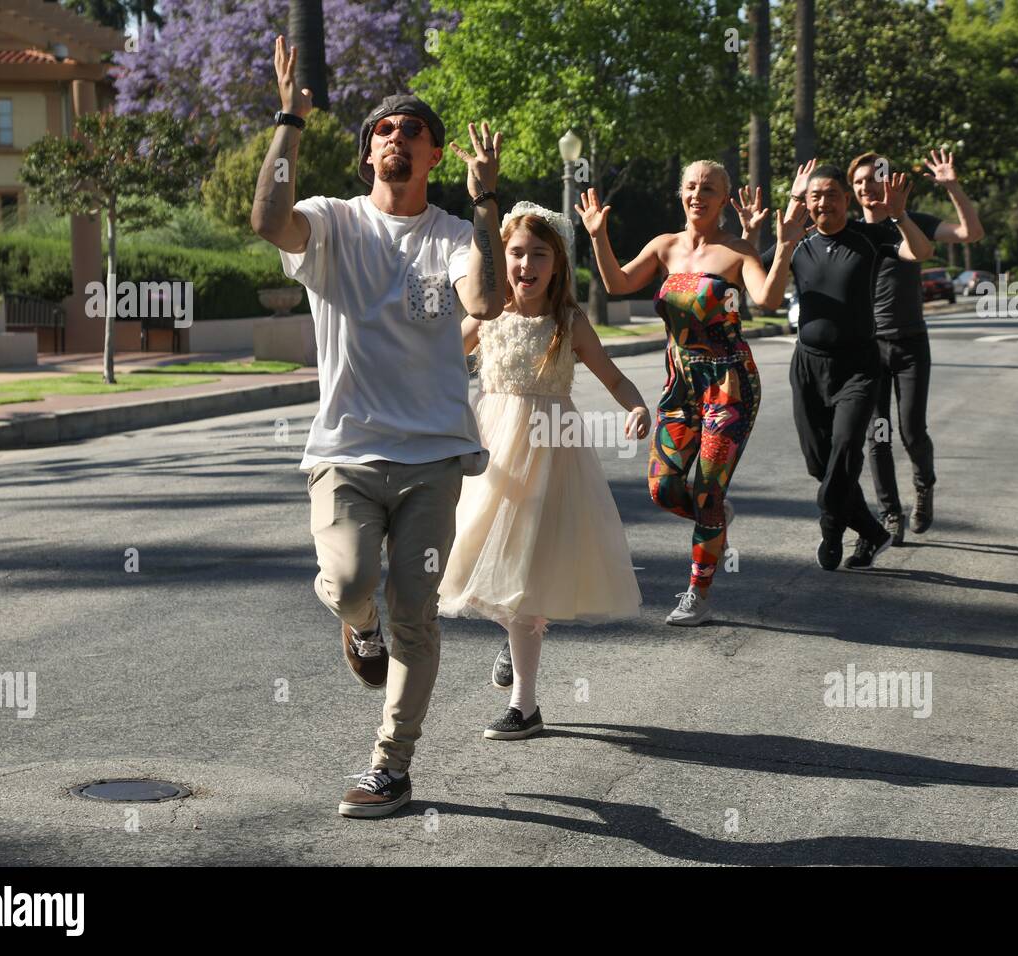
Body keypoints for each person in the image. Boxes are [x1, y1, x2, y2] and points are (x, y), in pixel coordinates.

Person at [250, 35, 506, 818]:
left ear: (433, 154)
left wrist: (487, 203)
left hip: (432, 456)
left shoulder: (456, 234)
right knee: (356, 582)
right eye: (383, 131)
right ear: (367, 155)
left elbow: (486, 303)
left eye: (410, 131)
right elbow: (266, 220)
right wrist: (289, 119)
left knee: (415, 611)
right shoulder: (332, 224)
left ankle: (390, 766)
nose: (395, 137)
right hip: (347, 452)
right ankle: (356, 627)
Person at [438, 202, 648, 739]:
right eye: (515, 253)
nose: (526, 264)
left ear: (557, 265)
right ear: (499, 258)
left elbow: (614, 378)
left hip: (554, 452)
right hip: (492, 454)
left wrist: (638, 406)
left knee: (530, 568)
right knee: (487, 552)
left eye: (539, 255)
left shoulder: (569, 323)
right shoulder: (486, 317)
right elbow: (432, 363)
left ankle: (524, 705)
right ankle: (516, 637)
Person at [576, 160, 801, 625]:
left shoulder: (738, 252)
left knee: (708, 491)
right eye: (692, 186)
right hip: (681, 385)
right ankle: (714, 512)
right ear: (681, 193)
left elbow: (767, 300)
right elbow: (618, 284)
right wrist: (598, 235)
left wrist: (782, 249)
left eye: (710, 188)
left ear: (724, 199)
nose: (699, 194)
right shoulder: (664, 247)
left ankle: (698, 591)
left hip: (729, 385)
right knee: (663, 488)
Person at [746, 161, 933, 570]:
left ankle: (832, 528)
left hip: (859, 366)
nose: (824, 202)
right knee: (819, 463)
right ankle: (871, 530)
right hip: (808, 367)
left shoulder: (870, 238)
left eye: (832, 195)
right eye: (816, 196)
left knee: (846, 449)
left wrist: (899, 214)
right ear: (807, 203)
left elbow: (921, 252)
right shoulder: (796, 243)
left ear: (846, 200)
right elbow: (759, 288)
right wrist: (771, 240)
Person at [847, 149, 985, 543]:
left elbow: (971, 233)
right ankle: (891, 513)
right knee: (878, 433)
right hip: (867, 347)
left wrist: (952, 187)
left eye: (873, 179)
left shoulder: (912, 223)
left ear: (891, 181)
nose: (865, 188)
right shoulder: (851, 231)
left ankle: (924, 487)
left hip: (909, 343)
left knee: (911, 431)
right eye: (858, 182)